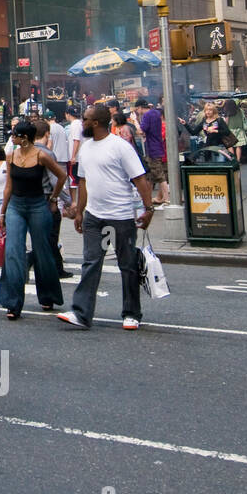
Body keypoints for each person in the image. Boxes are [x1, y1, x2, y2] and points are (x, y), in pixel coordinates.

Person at [57, 105, 155, 331]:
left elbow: (140, 179)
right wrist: (80, 211)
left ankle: (131, 313)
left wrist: (148, 209)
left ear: (96, 123)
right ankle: (82, 313)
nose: (82, 123)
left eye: (85, 119)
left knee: (127, 265)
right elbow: (82, 182)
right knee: (91, 262)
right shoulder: (85, 148)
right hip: (94, 216)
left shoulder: (120, 147)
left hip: (120, 216)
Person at [0, 120, 67, 320]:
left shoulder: (42, 155)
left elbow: (62, 176)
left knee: (42, 252)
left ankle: (48, 295)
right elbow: (8, 185)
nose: (12, 137)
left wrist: (53, 199)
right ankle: (12, 302)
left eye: (15, 134)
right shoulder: (10, 156)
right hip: (16, 206)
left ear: (24, 138)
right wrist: (2, 212)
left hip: (37, 205)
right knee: (13, 251)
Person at [133, 99, 168, 205]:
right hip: (159, 145)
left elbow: (140, 131)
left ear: (139, 107)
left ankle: (166, 199)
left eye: (137, 109)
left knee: (159, 175)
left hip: (152, 148)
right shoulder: (156, 113)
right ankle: (158, 197)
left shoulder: (147, 116)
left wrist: (135, 121)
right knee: (153, 175)